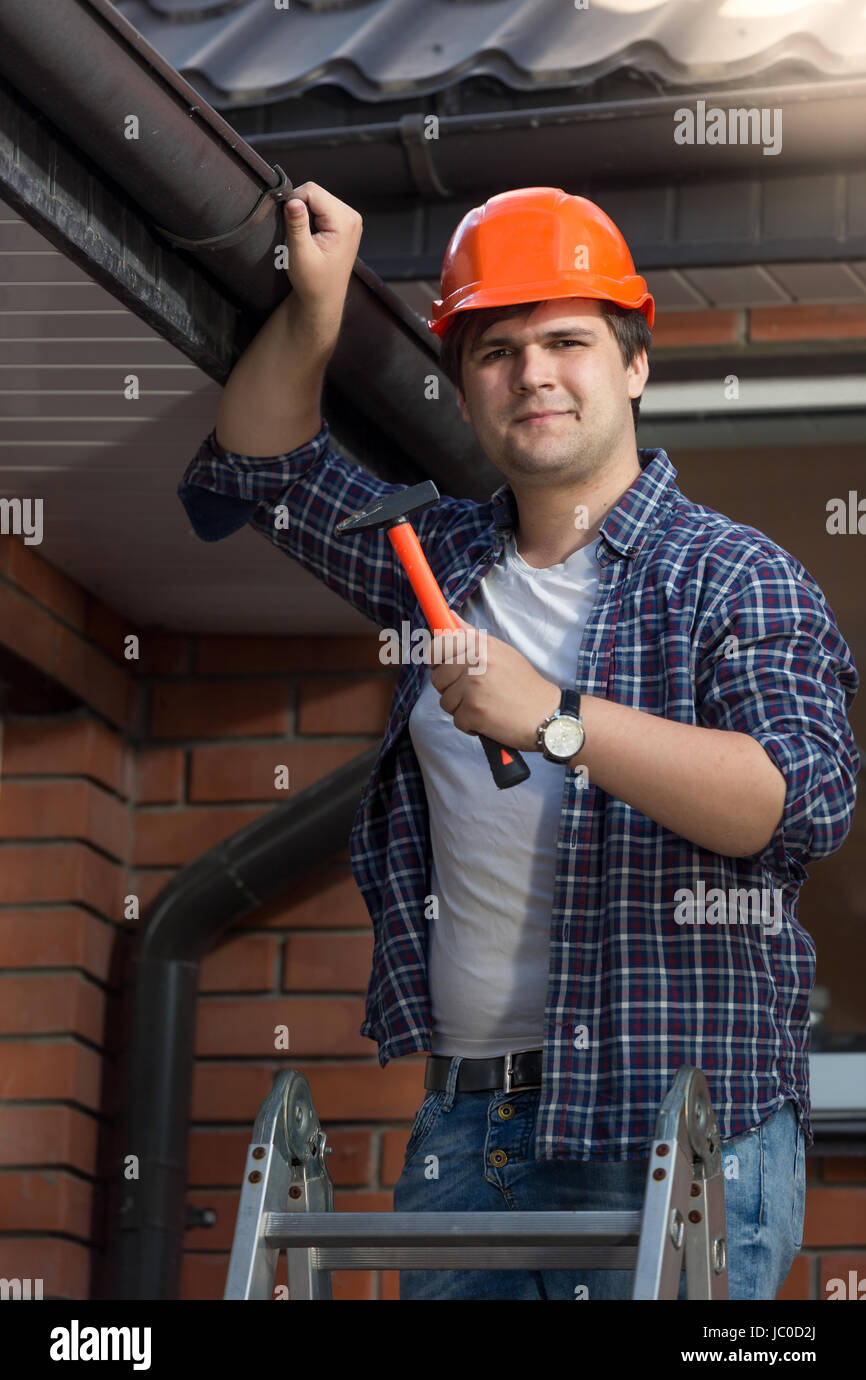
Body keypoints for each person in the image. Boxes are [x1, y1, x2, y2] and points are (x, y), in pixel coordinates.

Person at [178, 183, 860, 1301]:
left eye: (566, 340)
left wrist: (554, 717)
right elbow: (265, 466)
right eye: (495, 350)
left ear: (633, 365)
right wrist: (316, 308)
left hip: (673, 1129)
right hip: (465, 1128)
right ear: (463, 388)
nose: (532, 372)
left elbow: (795, 801)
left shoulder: (732, 577)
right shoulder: (432, 559)